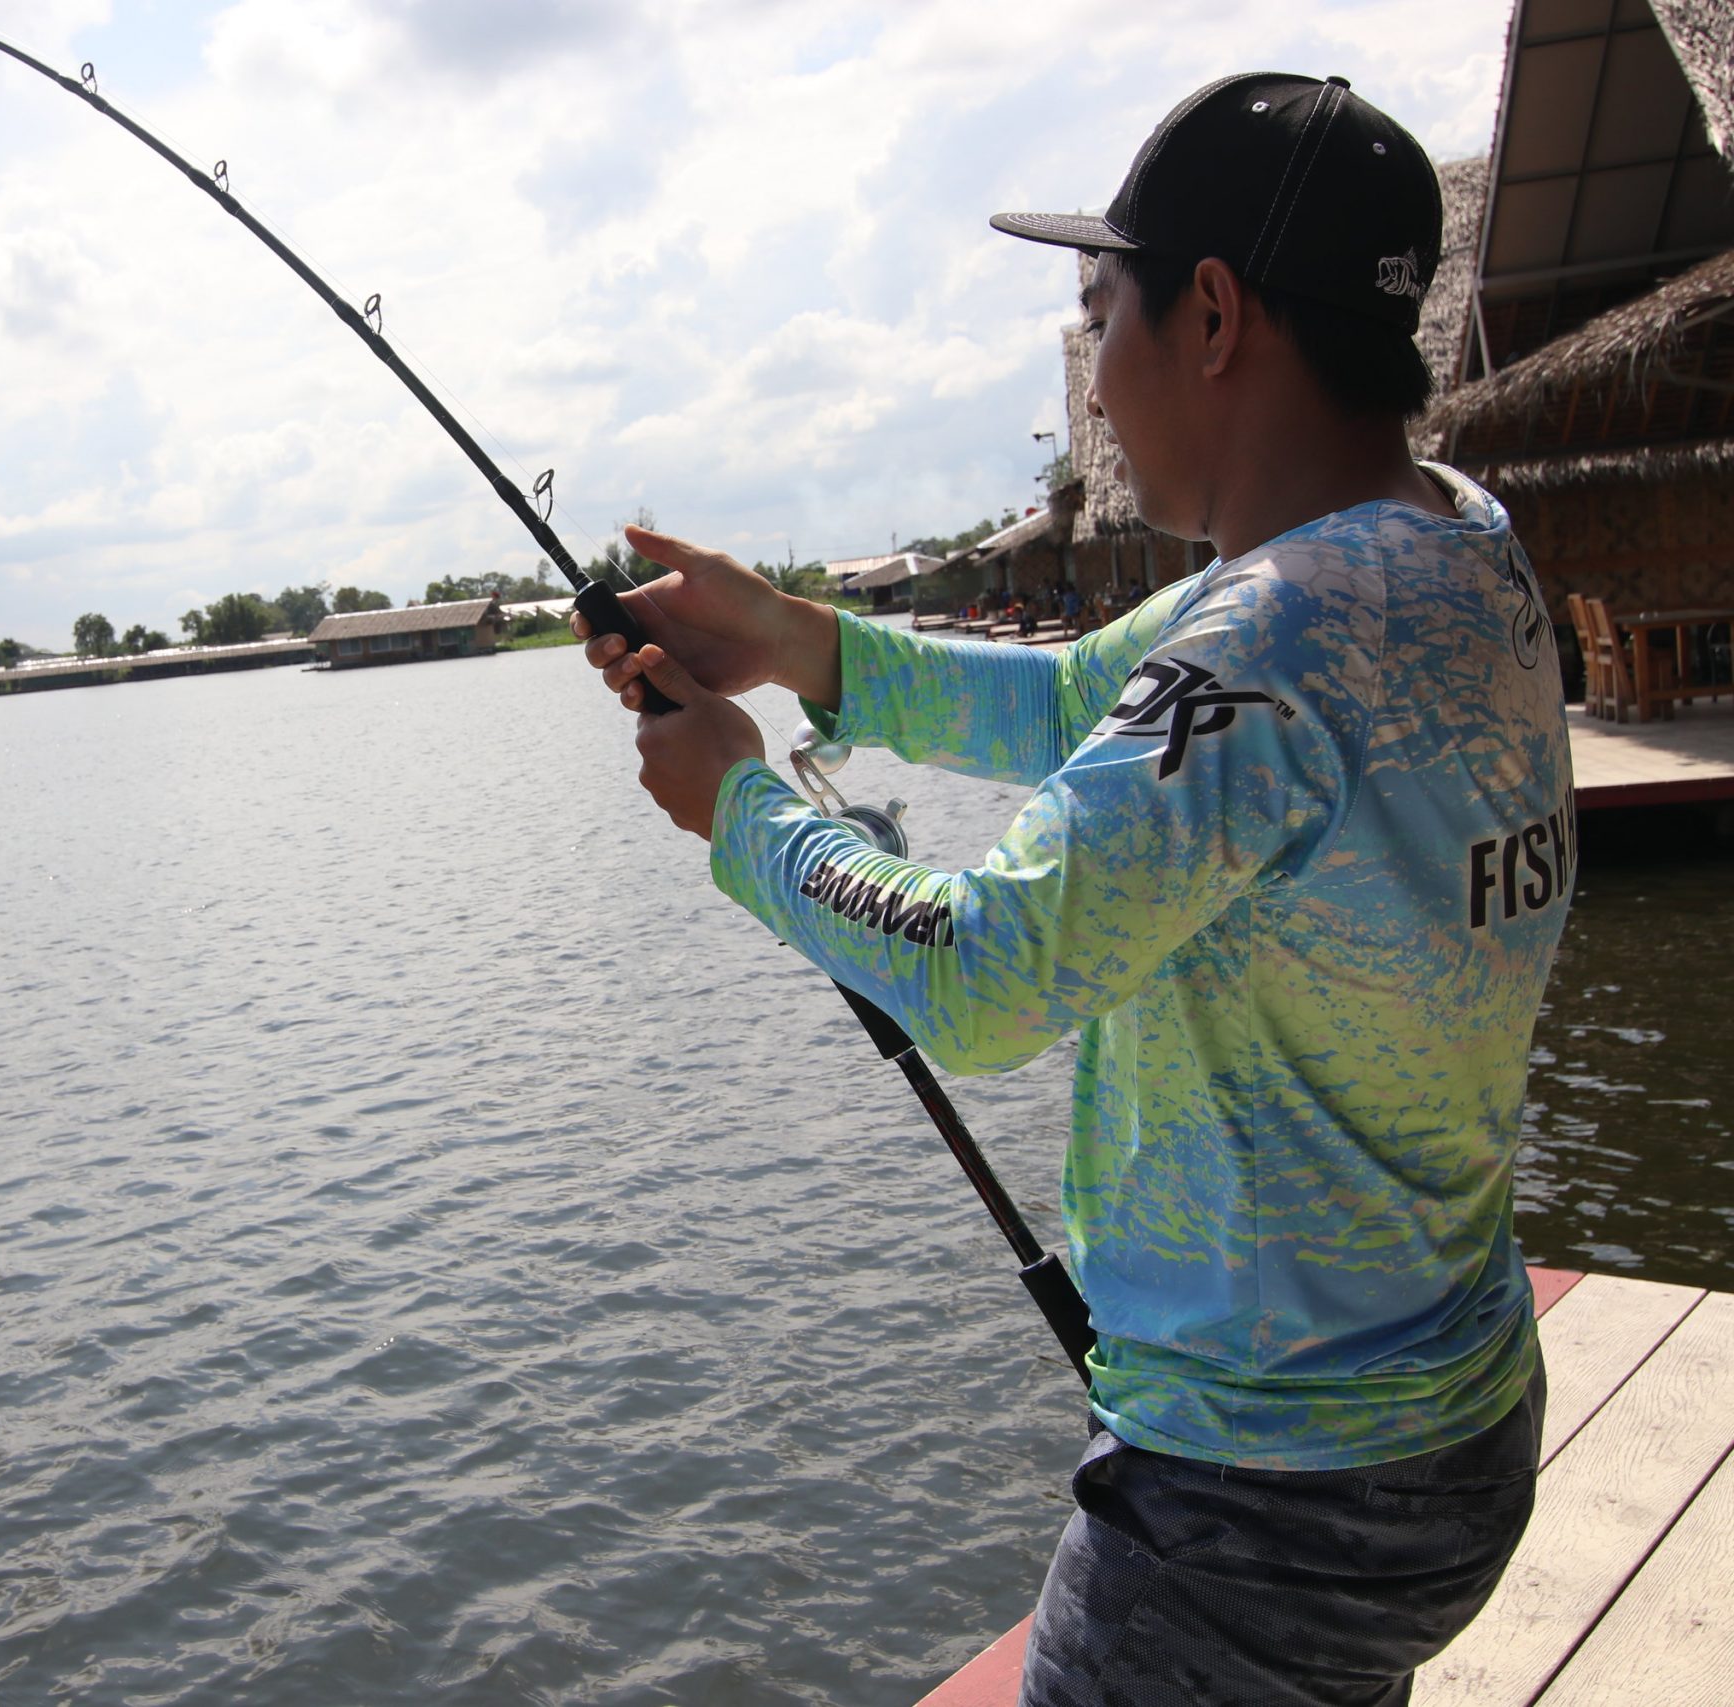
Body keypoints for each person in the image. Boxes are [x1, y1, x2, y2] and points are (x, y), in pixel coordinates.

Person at [576, 72, 1569, 1706]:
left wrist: (742, 809)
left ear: (1215, 317)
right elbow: (1075, 707)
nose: (1094, 380)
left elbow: (982, 976)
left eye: (1102, 314)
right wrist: (798, 641)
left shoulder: (1276, 639)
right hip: (1452, 1422)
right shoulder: (1456, 538)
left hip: (1264, 1505)